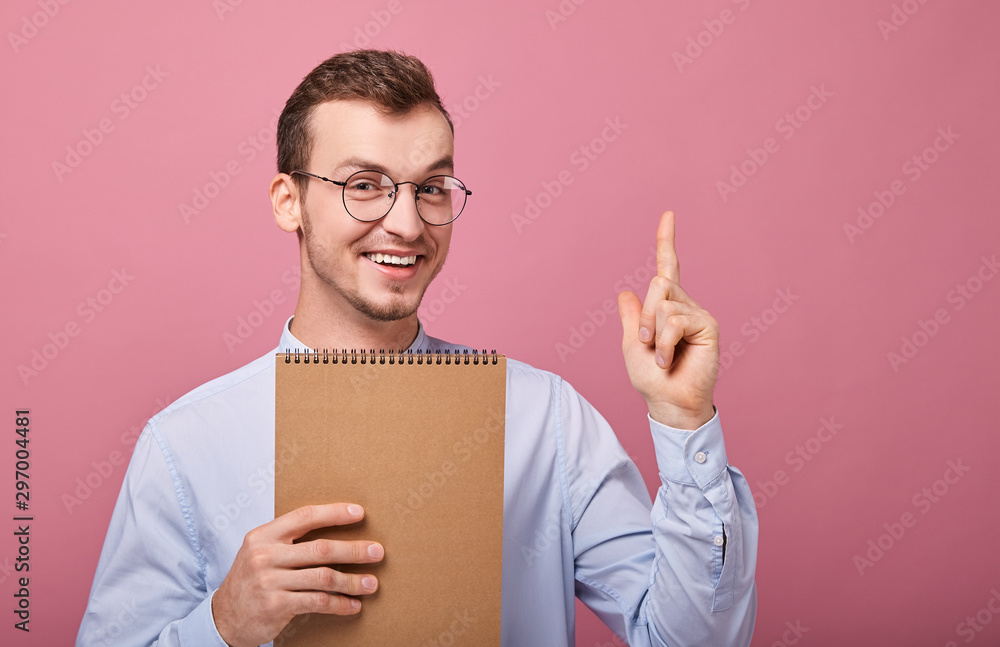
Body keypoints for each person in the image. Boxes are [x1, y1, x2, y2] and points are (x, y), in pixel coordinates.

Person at [77, 49, 757, 646]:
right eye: (363, 185)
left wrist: (684, 420)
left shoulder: (544, 419)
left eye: (431, 187)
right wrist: (221, 625)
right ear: (289, 201)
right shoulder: (184, 446)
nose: (405, 224)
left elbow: (691, 638)